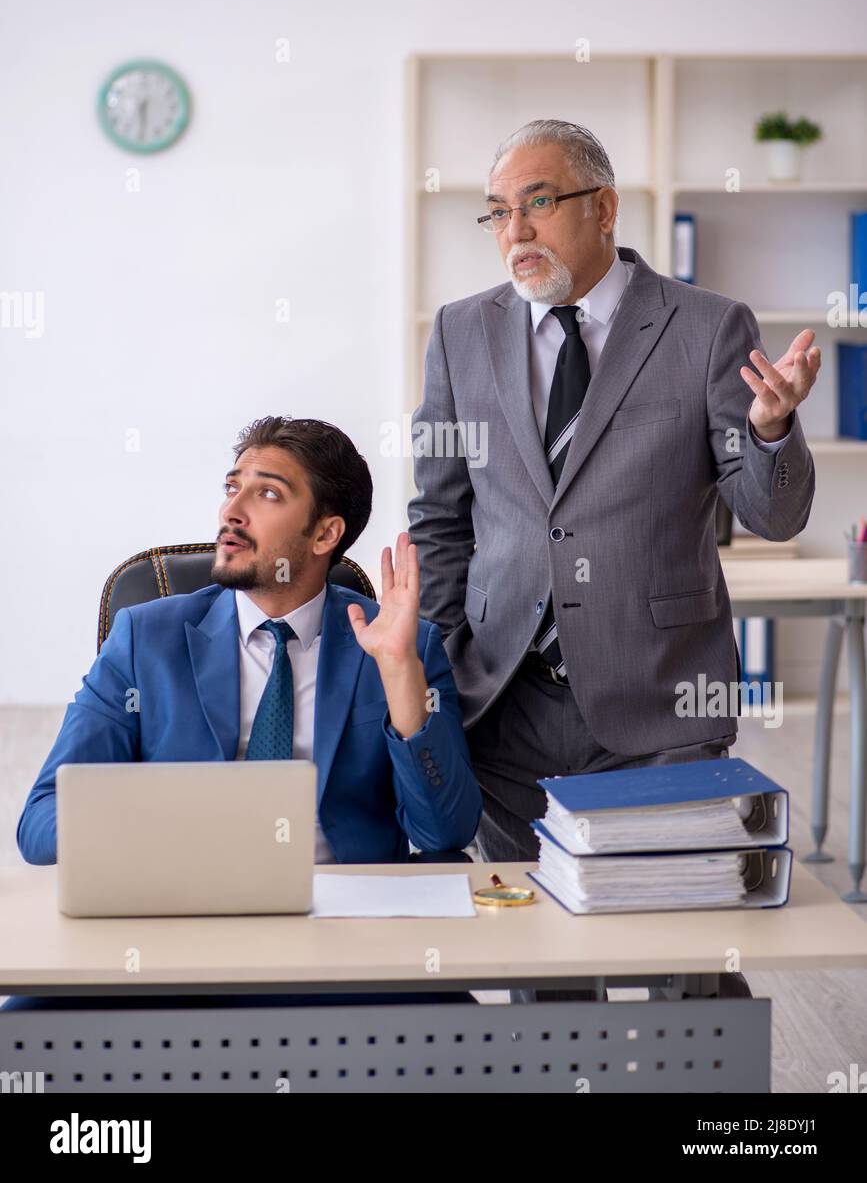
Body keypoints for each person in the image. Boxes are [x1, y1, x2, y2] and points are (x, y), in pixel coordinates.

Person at [408, 119, 820, 1000]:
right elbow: (441, 518)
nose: (514, 231)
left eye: (537, 203)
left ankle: (724, 1137)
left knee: (688, 957)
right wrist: (443, 669)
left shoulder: (704, 327)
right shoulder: (459, 333)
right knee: (541, 967)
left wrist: (771, 431)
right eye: (496, 212)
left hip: (661, 699)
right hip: (506, 703)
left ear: (602, 208)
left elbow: (771, 513)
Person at [9, 415, 480, 1011]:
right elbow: (40, 823)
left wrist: (400, 675)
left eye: (267, 494)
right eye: (232, 488)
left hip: (347, 941)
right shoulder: (145, 638)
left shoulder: (402, 646)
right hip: (174, 931)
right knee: (27, 1025)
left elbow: (445, 832)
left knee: (458, 1031)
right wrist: (164, 835)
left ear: (324, 534)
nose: (232, 512)